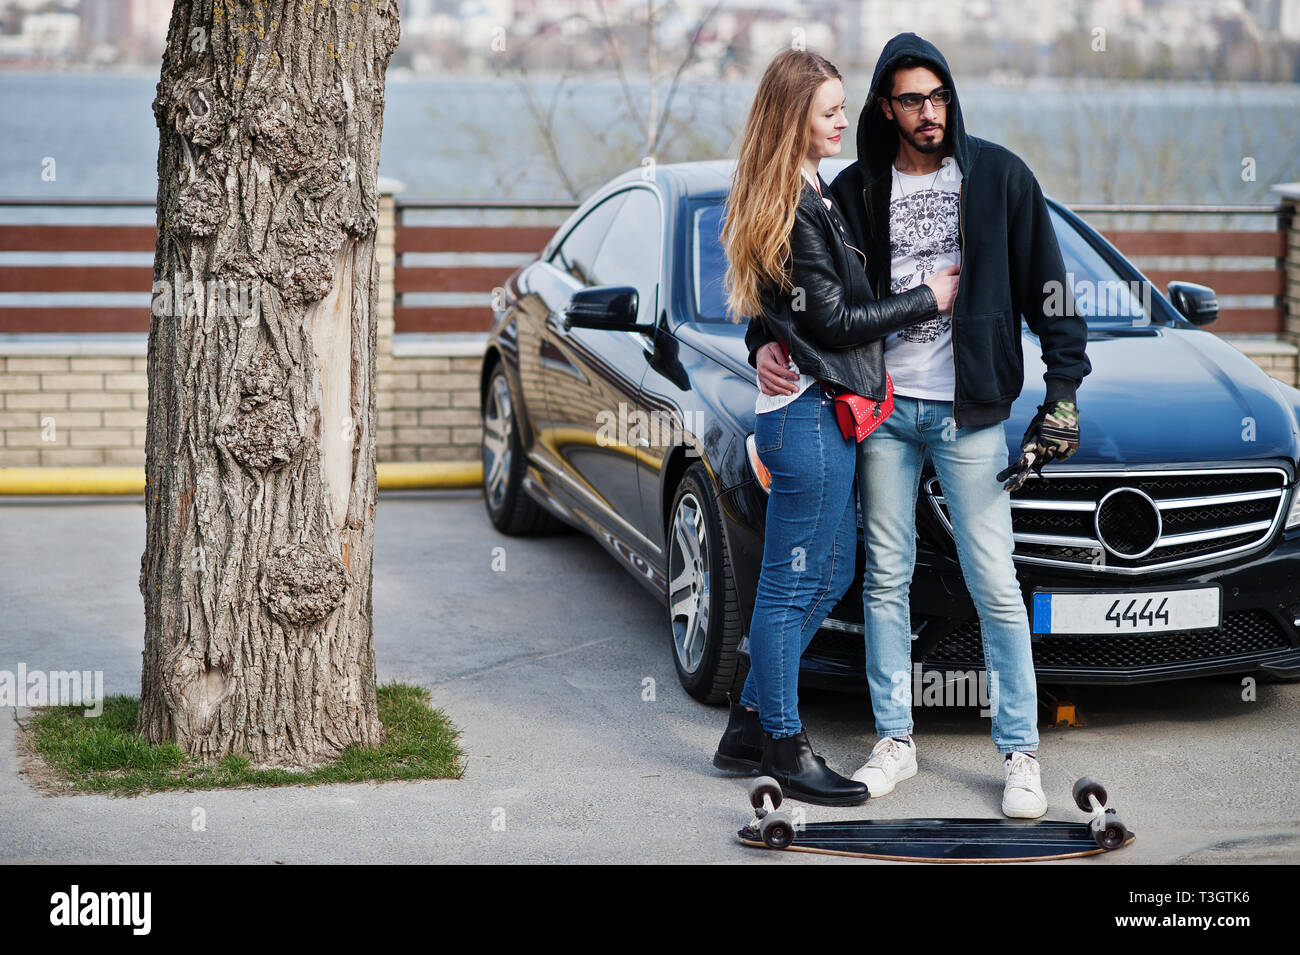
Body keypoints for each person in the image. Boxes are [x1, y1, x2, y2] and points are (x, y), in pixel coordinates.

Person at [748, 33, 1091, 818]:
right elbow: (787, 278)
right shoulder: (856, 188)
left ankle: (1020, 751)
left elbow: (1053, 294)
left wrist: (1063, 394)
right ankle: (895, 738)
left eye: (938, 96)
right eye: (912, 99)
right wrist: (761, 339)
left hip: (970, 414)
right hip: (882, 411)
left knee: (995, 584)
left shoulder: (1000, 177)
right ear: (886, 107)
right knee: (884, 580)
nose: (929, 112)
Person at [714, 47, 958, 806]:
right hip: (809, 421)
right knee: (790, 589)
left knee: (837, 570)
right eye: (828, 111)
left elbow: (780, 310)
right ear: (794, 121)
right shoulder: (794, 205)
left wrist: (763, 338)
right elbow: (839, 319)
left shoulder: (813, 191)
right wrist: (928, 297)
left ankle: (748, 722)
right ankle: (784, 746)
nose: (842, 120)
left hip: (823, 416)